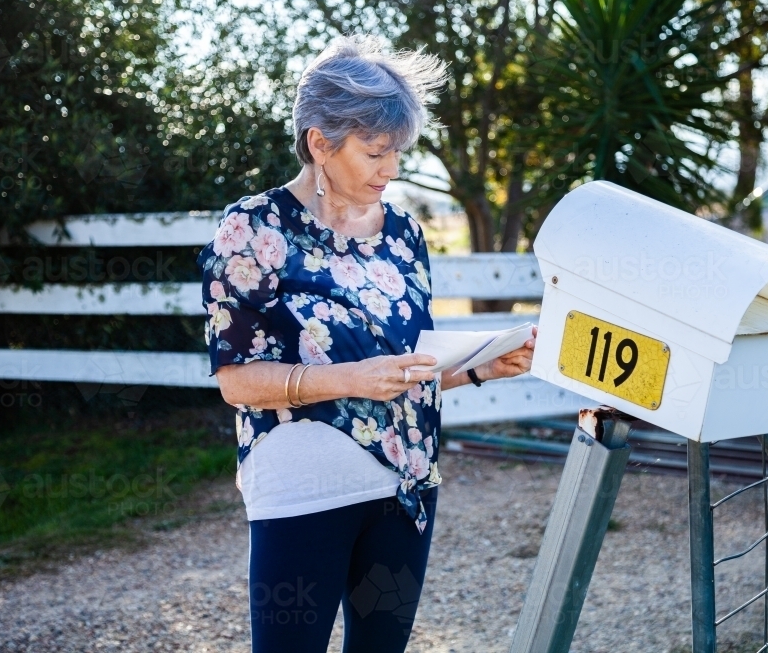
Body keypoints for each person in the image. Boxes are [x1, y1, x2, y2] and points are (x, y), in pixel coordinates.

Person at [196, 35, 537, 653]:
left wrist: (481, 370)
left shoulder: (404, 231)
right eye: (376, 151)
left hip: (407, 487)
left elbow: (403, 370)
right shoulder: (253, 228)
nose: (392, 169)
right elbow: (236, 380)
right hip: (303, 489)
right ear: (319, 144)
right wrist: (348, 379)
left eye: (398, 151)